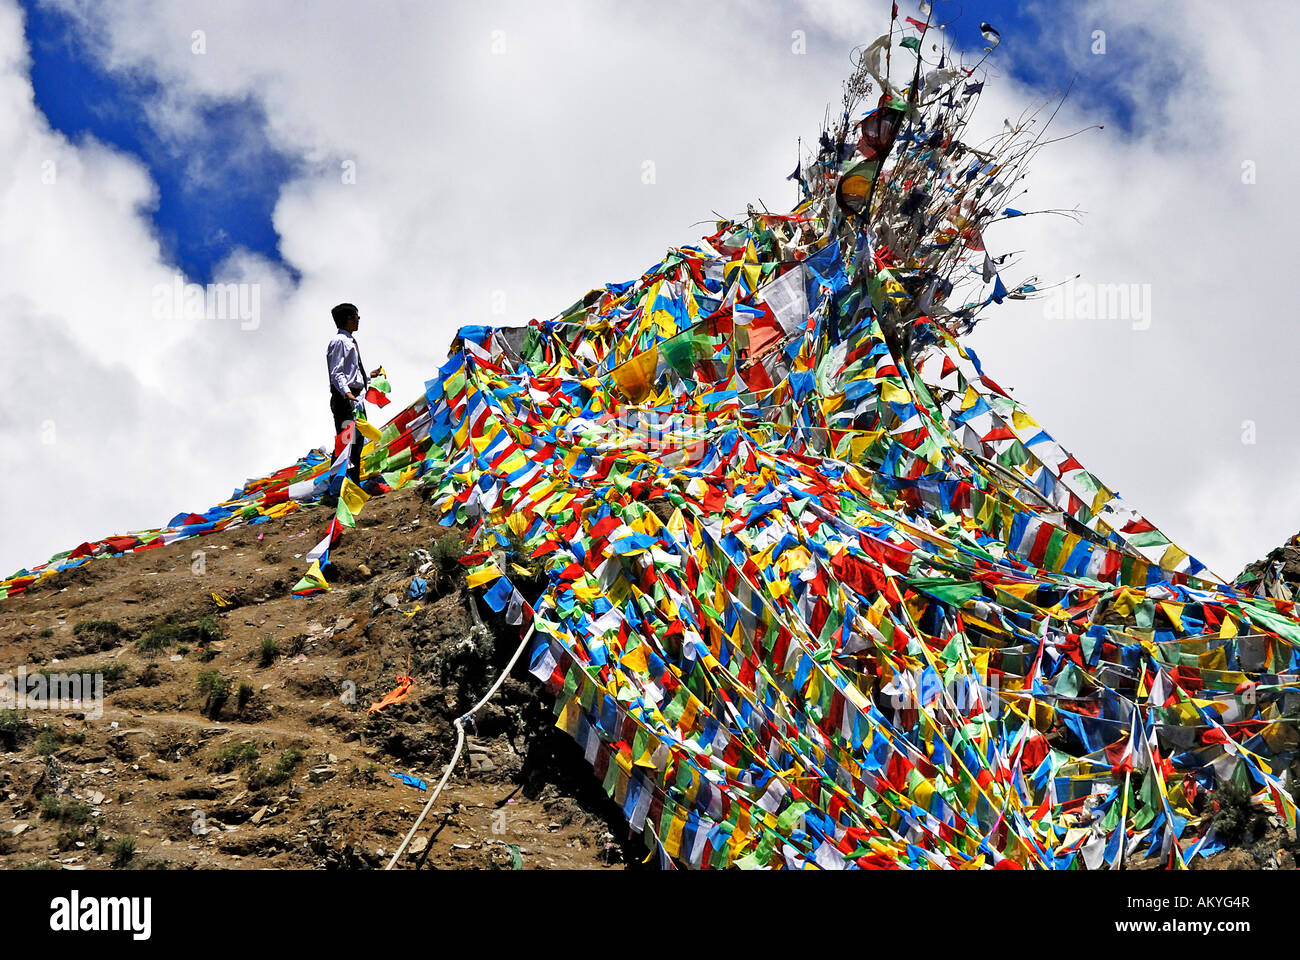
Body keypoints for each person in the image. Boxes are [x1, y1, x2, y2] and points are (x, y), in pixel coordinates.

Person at [326, 303, 382, 503]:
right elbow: (337, 372)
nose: (359, 320)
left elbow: (351, 372)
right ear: (349, 318)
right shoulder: (339, 342)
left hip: (355, 397)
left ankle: (354, 484)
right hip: (345, 400)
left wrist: (368, 377)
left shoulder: (350, 341)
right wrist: (348, 393)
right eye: (357, 316)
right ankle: (338, 488)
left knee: (356, 443)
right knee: (346, 442)